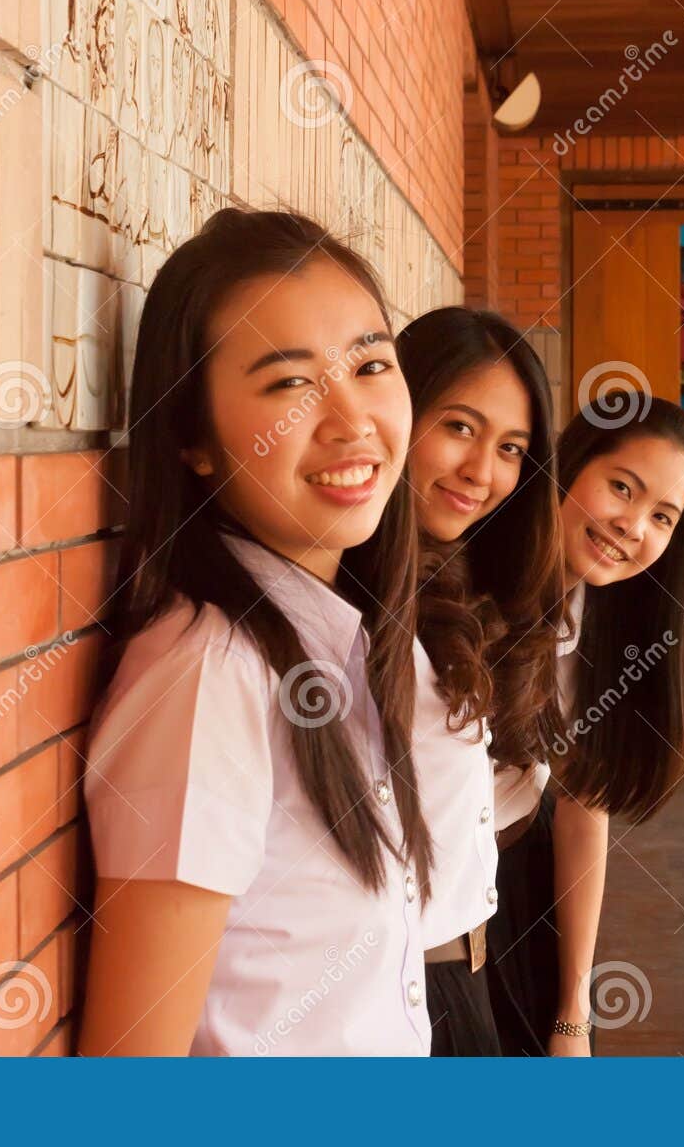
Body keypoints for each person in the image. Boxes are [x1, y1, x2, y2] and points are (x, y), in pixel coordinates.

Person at [76, 207, 437, 1056]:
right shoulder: (210, 676)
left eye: (372, 363)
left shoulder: (338, 643)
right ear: (194, 438)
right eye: (289, 385)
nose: (351, 419)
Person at [487, 402, 684, 1056]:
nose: (631, 525)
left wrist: (572, 1011)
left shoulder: (610, 628)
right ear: (564, 467)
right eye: (622, 487)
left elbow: (584, 808)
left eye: (661, 517)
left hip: (514, 880)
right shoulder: (470, 588)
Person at [397, 307, 565, 1055]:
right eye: (460, 427)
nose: (482, 472)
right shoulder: (356, 598)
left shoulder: (481, 588)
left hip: (471, 969)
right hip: (406, 983)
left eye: (511, 449)